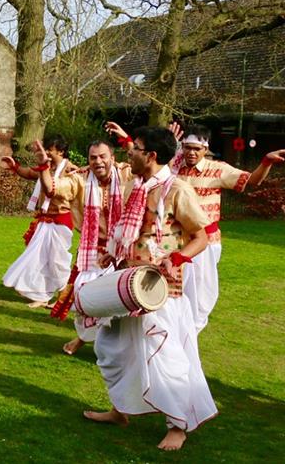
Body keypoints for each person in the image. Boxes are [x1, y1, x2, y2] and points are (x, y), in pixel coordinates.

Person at [85, 126, 216, 451]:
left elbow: (201, 236)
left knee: (164, 358)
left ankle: (178, 425)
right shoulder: (136, 185)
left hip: (161, 290)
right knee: (111, 348)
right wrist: (113, 253)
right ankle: (121, 410)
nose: (129, 153)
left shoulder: (177, 189)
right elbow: (131, 232)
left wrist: (177, 258)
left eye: (136, 149)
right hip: (127, 285)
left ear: (152, 156)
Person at [108, 120, 285, 332]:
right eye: (187, 147)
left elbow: (252, 181)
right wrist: (130, 139)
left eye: (197, 149)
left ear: (205, 149)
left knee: (200, 294)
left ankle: (189, 332)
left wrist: (266, 162)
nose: (191, 153)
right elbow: (146, 157)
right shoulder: (173, 165)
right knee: (173, 289)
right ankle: (171, 330)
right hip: (173, 241)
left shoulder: (218, 170)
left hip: (204, 242)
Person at [38, 139, 129, 355]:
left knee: (123, 299)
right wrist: (43, 166)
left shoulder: (126, 174)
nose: (98, 161)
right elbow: (52, 189)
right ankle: (84, 337)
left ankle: (118, 346)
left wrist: (128, 142)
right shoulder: (80, 179)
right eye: (93, 157)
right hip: (92, 251)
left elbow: (153, 167)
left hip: (125, 249)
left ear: (113, 158)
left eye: (103, 156)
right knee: (85, 297)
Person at [0, 134, 77, 308]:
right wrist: (15, 166)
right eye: (46, 149)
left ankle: (64, 296)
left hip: (61, 220)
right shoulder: (46, 168)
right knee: (39, 259)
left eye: (50, 150)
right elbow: (29, 173)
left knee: (58, 261)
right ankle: (42, 295)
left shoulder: (70, 169)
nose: (47, 153)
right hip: (45, 219)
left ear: (61, 151)